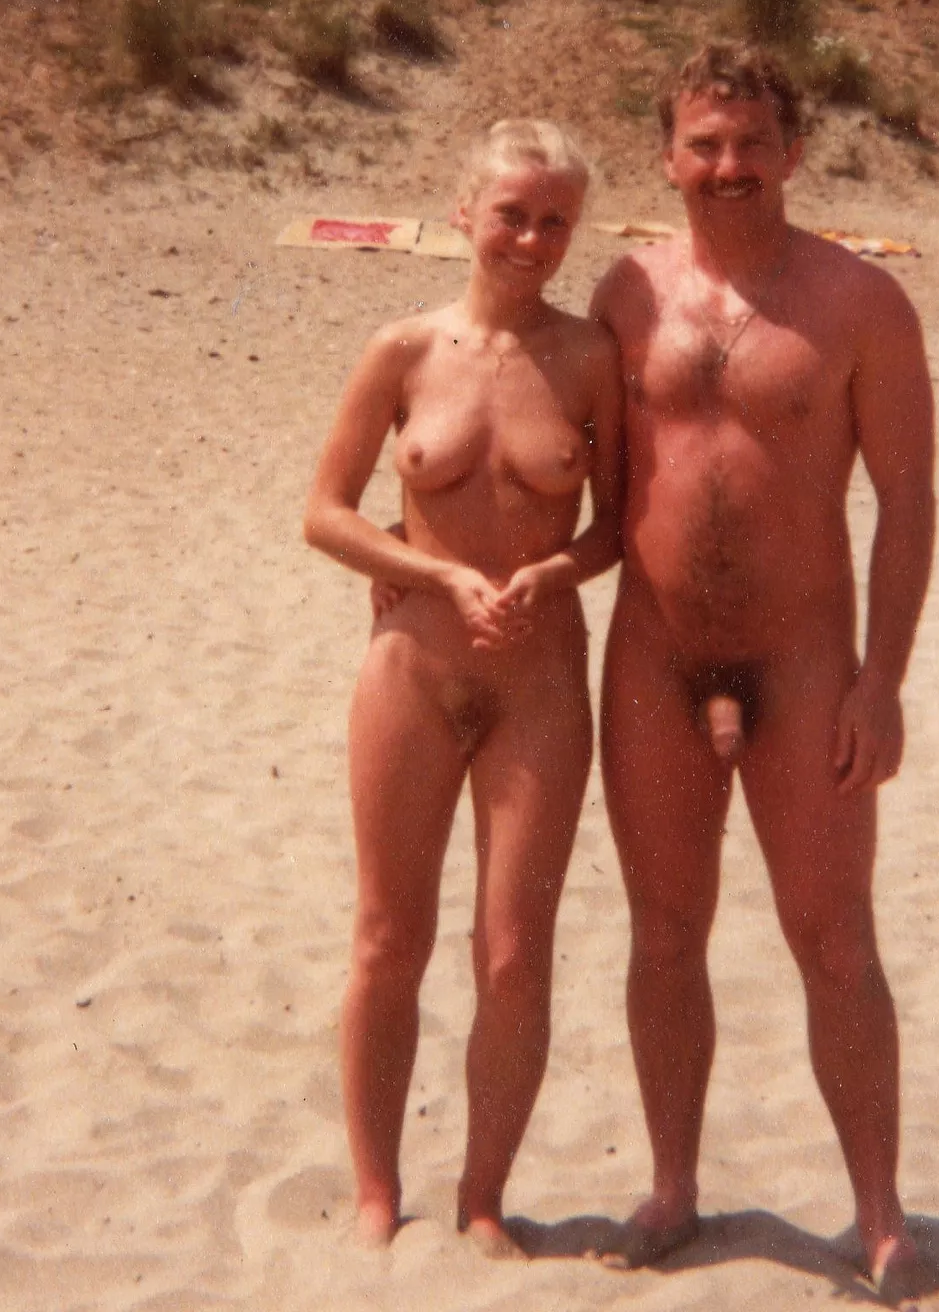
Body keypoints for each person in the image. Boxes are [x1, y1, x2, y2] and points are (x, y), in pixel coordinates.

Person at [589, 42, 935, 1296]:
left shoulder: (860, 301)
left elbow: (905, 497)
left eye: (749, 142)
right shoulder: (624, 292)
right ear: (666, 158)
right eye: (703, 142)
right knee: (662, 930)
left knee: (833, 936)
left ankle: (878, 1210)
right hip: (654, 659)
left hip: (804, 665)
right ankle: (673, 1184)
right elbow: (569, 468)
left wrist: (880, 680)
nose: (726, 164)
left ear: (791, 151)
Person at [303, 121, 623, 1259]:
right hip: (413, 670)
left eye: (554, 222)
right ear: (463, 213)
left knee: (513, 951)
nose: (531, 240)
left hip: (538, 681)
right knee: (387, 937)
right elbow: (324, 512)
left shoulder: (589, 358)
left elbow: (617, 523)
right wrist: (432, 569)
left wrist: (552, 568)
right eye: (511, 215)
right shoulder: (401, 350)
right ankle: (375, 1190)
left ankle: (483, 1195)